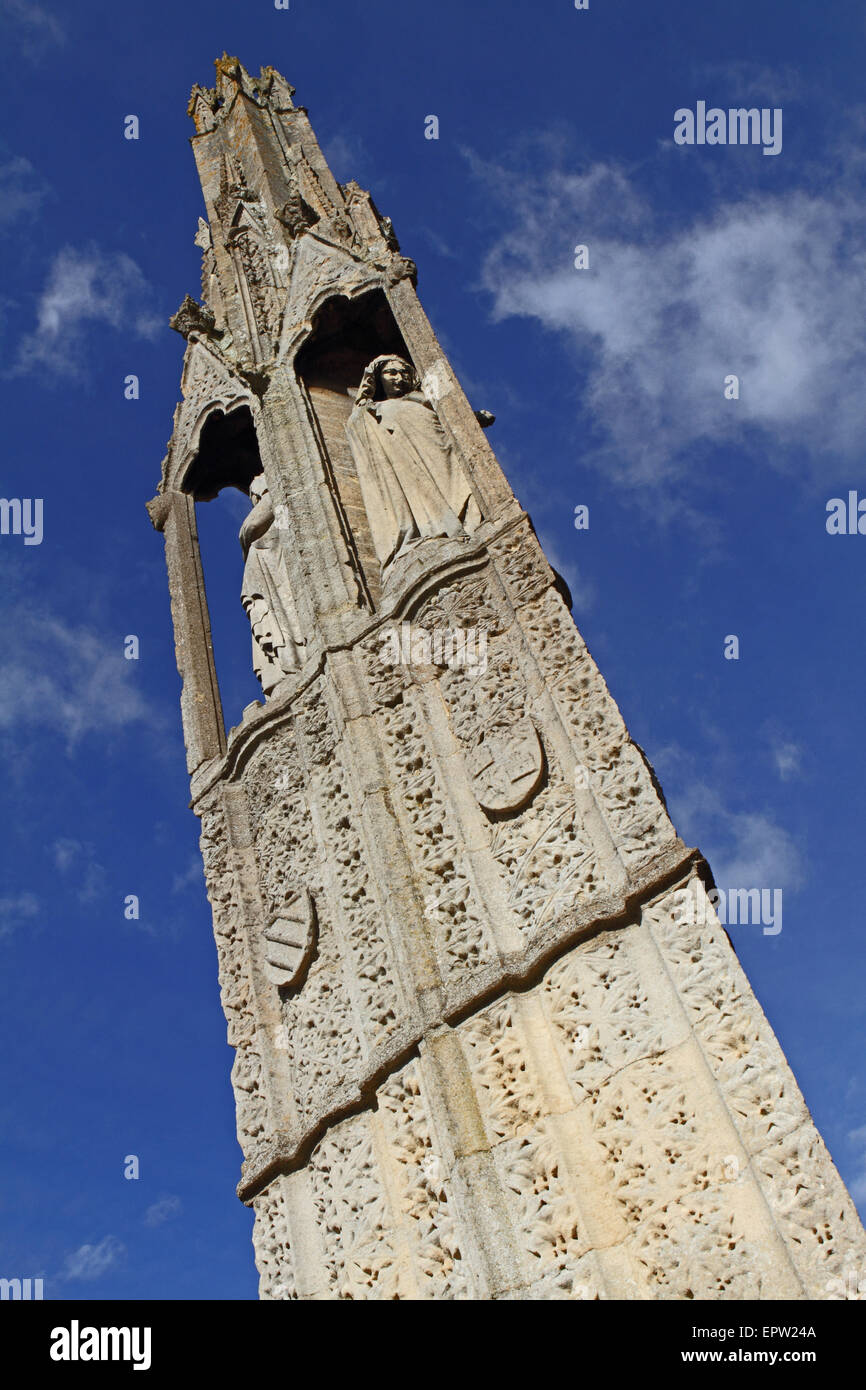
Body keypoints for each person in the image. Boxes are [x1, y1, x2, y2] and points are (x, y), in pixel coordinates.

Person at [345, 354, 481, 574]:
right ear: (378, 379)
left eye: (403, 373)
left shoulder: (416, 399)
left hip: (438, 450)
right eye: (391, 373)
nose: (398, 378)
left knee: (457, 483)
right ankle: (436, 530)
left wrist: (472, 419)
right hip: (407, 461)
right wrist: (364, 399)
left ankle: (465, 522)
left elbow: (447, 416)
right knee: (421, 491)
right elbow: (357, 426)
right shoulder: (374, 410)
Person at [239, 475, 305, 695]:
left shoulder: (279, 505)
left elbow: (251, 526)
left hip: (274, 573)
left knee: (279, 623)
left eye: (254, 495)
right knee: (267, 621)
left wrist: (248, 534)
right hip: (262, 579)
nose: (254, 500)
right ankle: (282, 674)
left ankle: (292, 664)